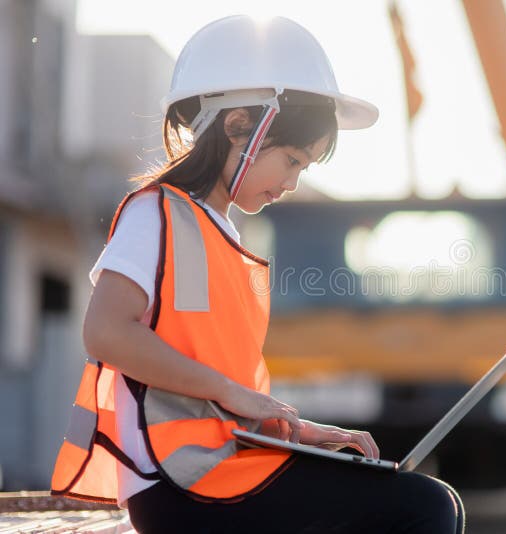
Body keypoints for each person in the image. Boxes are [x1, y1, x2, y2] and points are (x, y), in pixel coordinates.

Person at [50, 14, 465, 533]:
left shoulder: (221, 234)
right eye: (292, 160)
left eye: (303, 169)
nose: (291, 182)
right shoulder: (155, 213)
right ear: (239, 124)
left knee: (422, 498)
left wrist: (290, 428)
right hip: (181, 486)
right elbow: (106, 332)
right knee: (423, 507)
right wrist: (233, 393)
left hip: (220, 469)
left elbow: (213, 393)